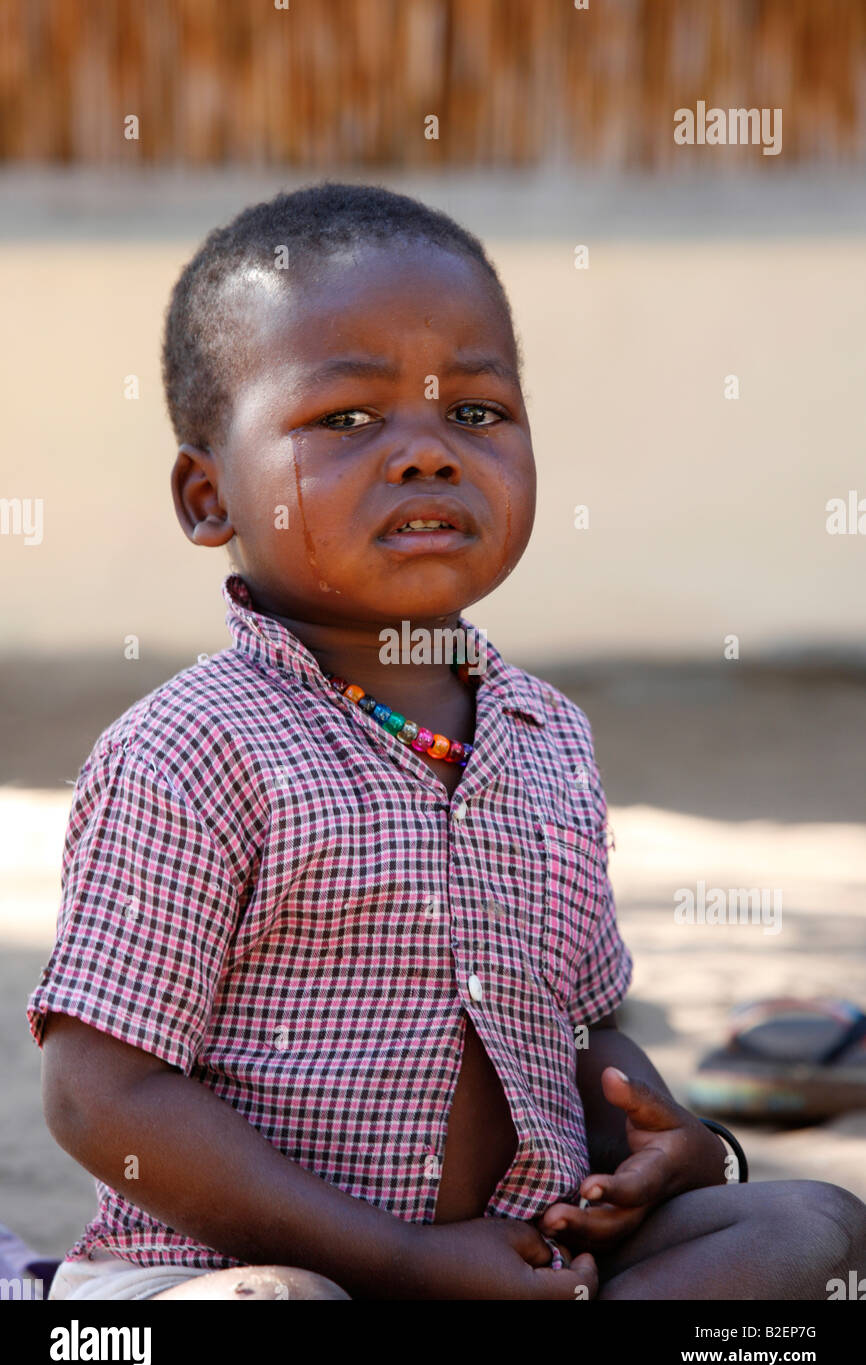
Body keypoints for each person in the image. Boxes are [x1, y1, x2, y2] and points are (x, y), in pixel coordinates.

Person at [28, 183, 865, 1300]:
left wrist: (663, 1143)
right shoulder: (190, 748)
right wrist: (400, 1259)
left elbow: (576, 1027)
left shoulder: (547, 738)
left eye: (474, 413)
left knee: (809, 1225)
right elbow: (99, 1096)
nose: (426, 454)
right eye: (345, 418)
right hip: (229, 1268)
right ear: (205, 495)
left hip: (507, 1264)